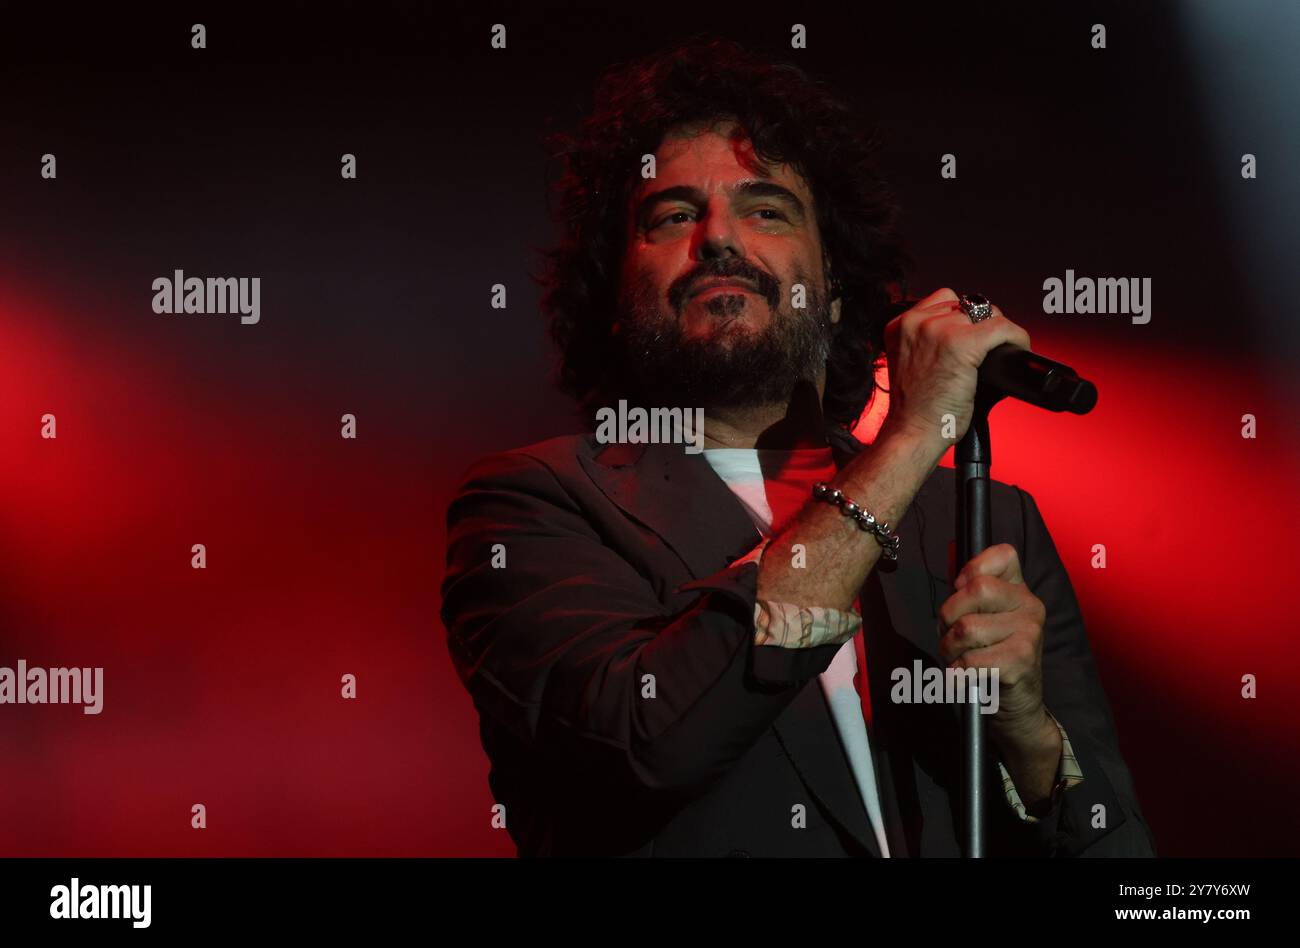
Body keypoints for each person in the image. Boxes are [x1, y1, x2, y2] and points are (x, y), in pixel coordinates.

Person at [440, 36, 1155, 857]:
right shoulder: (534, 506)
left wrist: (1030, 737)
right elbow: (646, 743)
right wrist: (916, 432)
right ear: (610, 297)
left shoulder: (985, 520)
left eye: (766, 209)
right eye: (673, 215)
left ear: (840, 291)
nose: (717, 239)